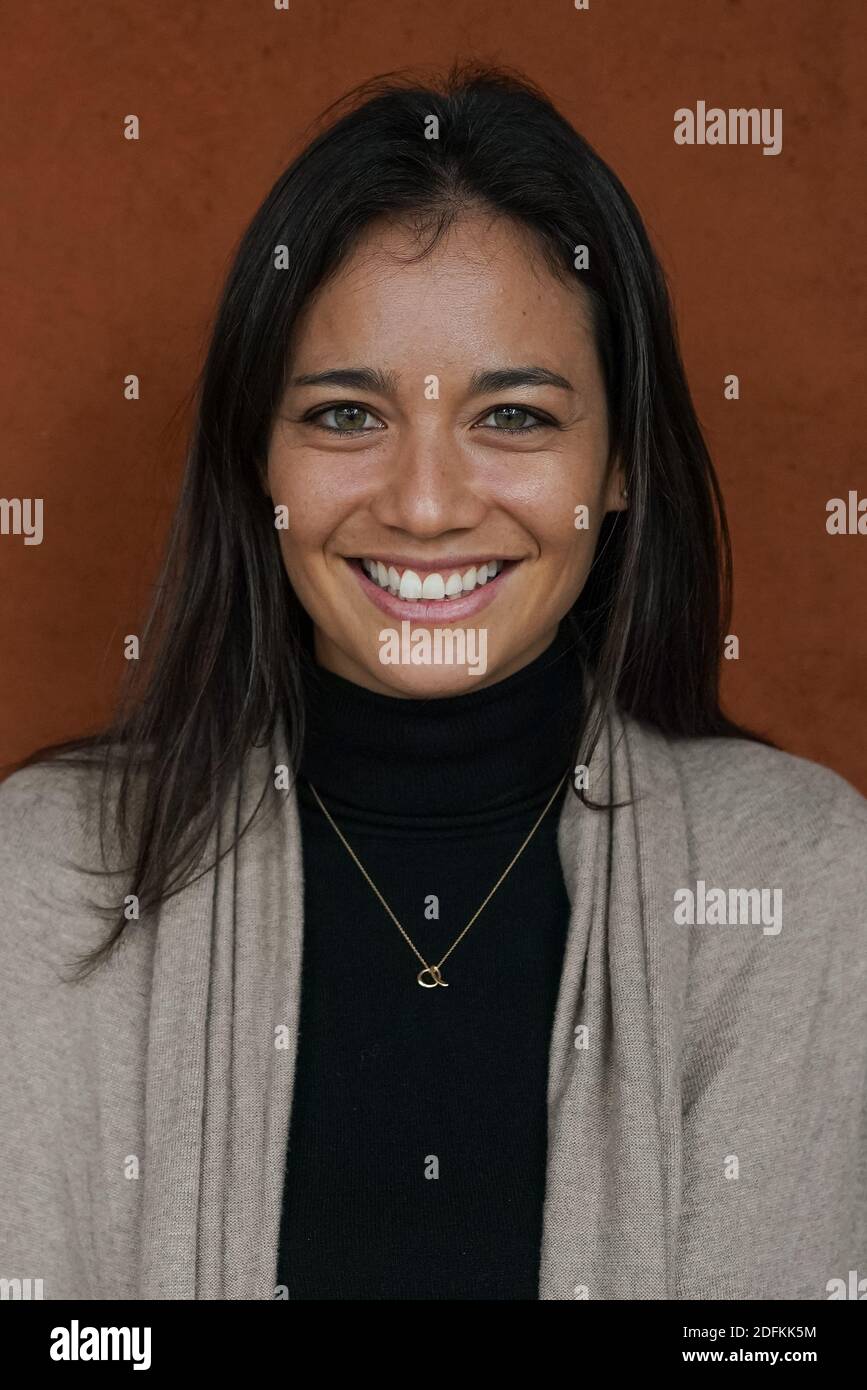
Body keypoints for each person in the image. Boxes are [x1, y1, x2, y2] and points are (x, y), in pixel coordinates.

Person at [1, 62, 864, 1301]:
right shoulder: (43, 881)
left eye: (513, 418)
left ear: (620, 467)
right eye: (346, 417)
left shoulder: (790, 883)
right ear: (260, 464)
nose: (422, 504)